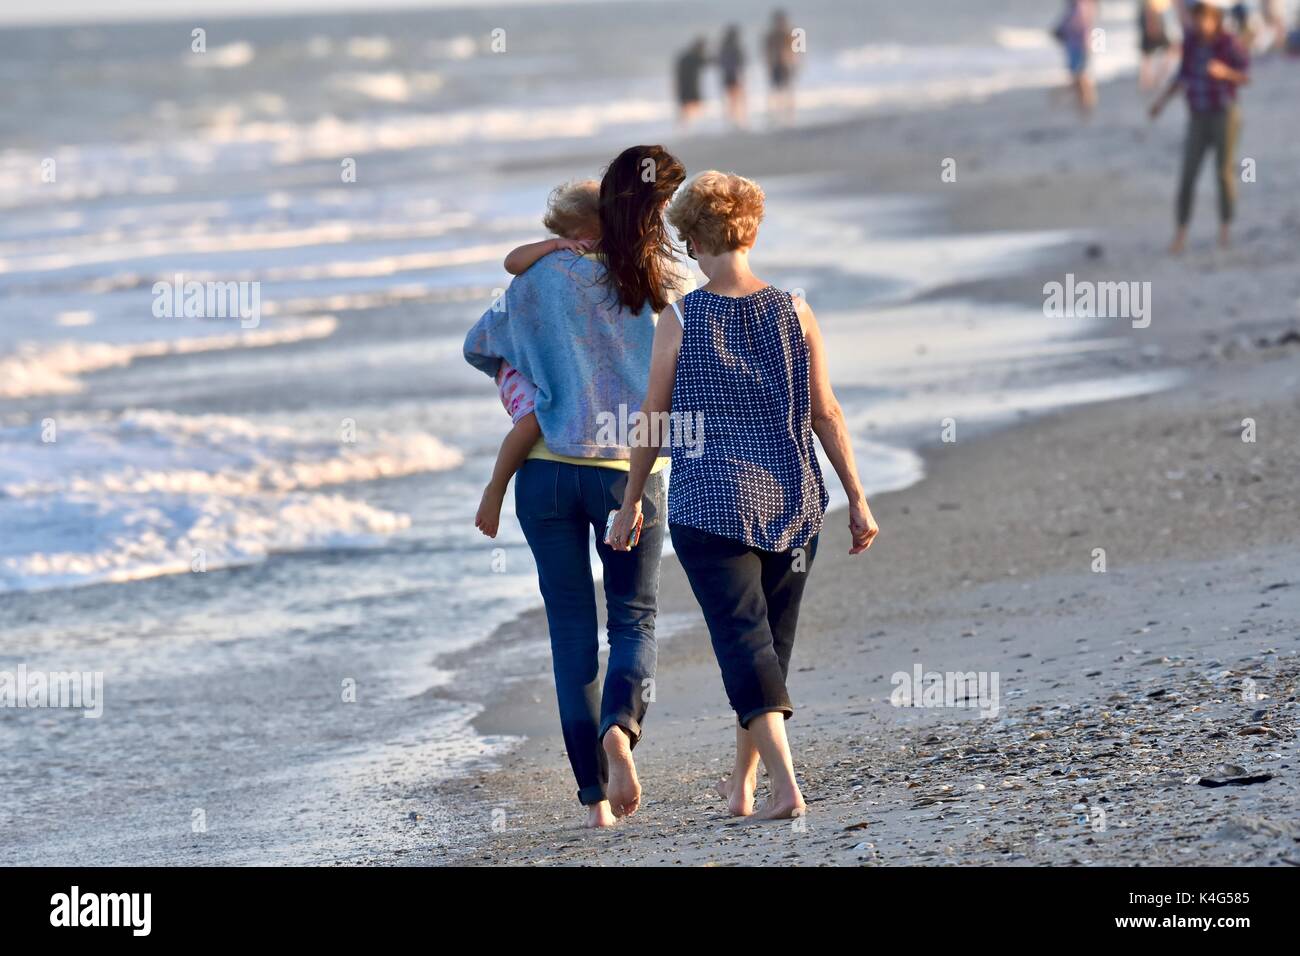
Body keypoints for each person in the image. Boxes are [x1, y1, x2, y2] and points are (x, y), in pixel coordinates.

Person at [608, 171, 880, 819]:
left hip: (711, 508)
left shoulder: (681, 317)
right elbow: (828, 414)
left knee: (746, 648)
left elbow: (652, 417)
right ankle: (743, 788)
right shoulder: (797, 308)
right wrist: (859, 499)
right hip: (796, 503)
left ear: (696, 241)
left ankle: (786, 787)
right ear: (749, 233)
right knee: (766, 651)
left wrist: (630, 502)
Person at [463, 146, 690, 828]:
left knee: (569, 630)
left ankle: (595, 802)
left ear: (567, 228)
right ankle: (620, 727)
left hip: (545, 471)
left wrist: (537, 384)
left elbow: (481, 344)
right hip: (631, 473)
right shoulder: (659, 275)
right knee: (633, 617)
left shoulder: (539, 279)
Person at [474, 180, 600, 539]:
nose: (590, 247)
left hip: (540, 362)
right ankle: (495, 488)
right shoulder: (547, 256)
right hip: (514, 366)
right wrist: (557, 246)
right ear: (566, 233)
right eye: (584, 239)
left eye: (599, 239)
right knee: (532, 422)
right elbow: (511, 262)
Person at [1150, 0, 1250, 253]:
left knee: (1223, 174)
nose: (1198, 24)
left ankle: (1225, 231)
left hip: (1224, 115)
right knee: (1187, 175)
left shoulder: (1227, 43)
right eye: (1195, 19)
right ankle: (1180, 233)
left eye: (1203, 19)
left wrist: (1224, 73)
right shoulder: (1191, 42)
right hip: (1197, 115)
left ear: (1214, 19)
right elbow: (1182, 76)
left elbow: (1246, 76)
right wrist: (1161, 102)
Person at [1054, 0, 1098, 115]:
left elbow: (1078, 23)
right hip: (1077, 44)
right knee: (1079, 75)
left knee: (1079, 76)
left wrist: (1062, 30)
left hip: (1078, 44)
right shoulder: (1080, 5)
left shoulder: (1080, 5)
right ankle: (1084, 103)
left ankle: (1086, 103)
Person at [764, 10, 798, 125]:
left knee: (786, 90)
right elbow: (767, 52)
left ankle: (788, 117)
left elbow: (796, 52)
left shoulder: (788, 34)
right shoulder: (773, 35)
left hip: (785, 65)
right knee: (777, 91)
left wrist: (795, 64)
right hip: (777, 65)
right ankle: (777, 116)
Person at [1139, 0, 1181, 90]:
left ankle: (1151, 80)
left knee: (1149, 57)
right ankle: (1150, 80)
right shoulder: (1155, 9)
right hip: (1157, 27)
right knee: (1149, 57)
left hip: (1158, 27)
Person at [675, 37, 709, 128]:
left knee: (685, 107)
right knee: (694, 106)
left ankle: (685, 127)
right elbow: (707, 61)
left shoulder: (685, 57)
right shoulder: (695, 57)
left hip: (682, 85)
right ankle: (693, 126)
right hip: (691, 86)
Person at [718, 25, 748, 127]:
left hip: (726, 75)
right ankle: (740, 120)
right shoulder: (736, 48)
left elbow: (720, 63)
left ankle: (731, 120)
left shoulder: (723, 48)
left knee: (730, 99)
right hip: (735, 75)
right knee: (738, 98)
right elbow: (741, 63)